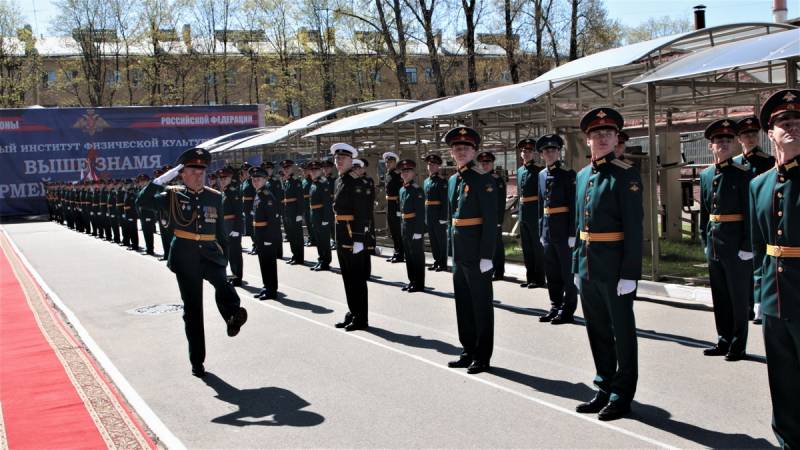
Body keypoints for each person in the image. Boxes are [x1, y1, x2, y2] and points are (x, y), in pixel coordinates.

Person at [137, 148, 248, 378]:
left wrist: (224, 258)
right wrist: (163, 179)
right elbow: (143, 201)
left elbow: (220, 233)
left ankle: (233, 316)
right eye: (192, 171)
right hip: (185, 256)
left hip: (210, 252)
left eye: (201, 171)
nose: (198, 175)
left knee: (223, 283)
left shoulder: (215, 197)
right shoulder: (172, 195)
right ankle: (197, 361)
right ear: (183, 174)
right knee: (193, 310)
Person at [573, 107, 643, 421]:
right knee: (597, 330)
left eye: (608, 134)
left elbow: (634, 227)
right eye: (596, 134)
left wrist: (630, 274)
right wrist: (577, 266)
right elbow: (579, 225)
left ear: (617, 139)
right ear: (587, 140)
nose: (602, 138)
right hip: (588, 267)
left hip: (615, 269)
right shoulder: (582, 175)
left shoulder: (625, 174)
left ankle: (621, 394)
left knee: (622, 333)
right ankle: (603, 385)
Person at [750, 88, 800, 449]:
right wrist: (758, 292)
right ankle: (788, 440)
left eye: (798, 122)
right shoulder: (759, 184)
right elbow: (758, 245)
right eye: (784, 122)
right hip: (773, 296)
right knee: (781, 377)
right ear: (771, 132)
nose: (792, 127)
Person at [445, 127, 497, 375]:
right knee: (463, 304)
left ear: (474, 151)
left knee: (480, 306)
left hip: (477, 254)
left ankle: (482, 355)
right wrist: (449, 250)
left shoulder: (483, 179)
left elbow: (490, 220)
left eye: (466, 147)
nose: (461, 151)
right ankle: (468, 349)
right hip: (460, 253)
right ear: (451, 153)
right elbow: (451, 218)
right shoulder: (454, 180)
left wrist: (488, 255)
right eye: (457, 148)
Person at [700, 119, 753, 362]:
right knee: (720, 296)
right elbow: (705, 213)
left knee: (738, 297)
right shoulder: (706, 174)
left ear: (733, 144)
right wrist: (704, 241)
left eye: (727, 140)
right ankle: (723, 340)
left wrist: (746, 245)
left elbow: (750, 213)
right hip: (715, 245)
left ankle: (738, 345)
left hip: (735, 246)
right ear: (711, 146)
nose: (723, 143)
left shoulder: (744, 174)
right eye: (718, 140)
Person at [735, 116, 775, 325]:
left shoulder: (768, 161)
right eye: (745, 135)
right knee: (743, 268)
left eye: (753, 134)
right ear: (739, 138)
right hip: (740, 220)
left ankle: (760, 302)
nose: (750, 138)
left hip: (761, 218)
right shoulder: (734, 164)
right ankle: (749, 305)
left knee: (761, 262)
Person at [536, 134, 577, 324]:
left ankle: (568, 310)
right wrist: (541, 232)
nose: (550, 153)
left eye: (553, 150)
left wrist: (572, 233)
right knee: (551, 272)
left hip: (563, 231)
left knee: (567, 273)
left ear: (559, 152)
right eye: (546, 151)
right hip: (547, 231)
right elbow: (540, 206)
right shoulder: (541, 175)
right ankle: (555, 306)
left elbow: (574, 205)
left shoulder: (568, 174)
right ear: (542, 154)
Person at [331, 143, 371, 331]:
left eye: (343, 159)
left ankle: (361, 317)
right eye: (337, 158)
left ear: (350, 160)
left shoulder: (356, 183)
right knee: (347, 277)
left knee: (356, 278)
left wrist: (358, 239)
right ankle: (353, 311)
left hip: (351, 234)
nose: (339, 161)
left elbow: (362, 212)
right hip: (341, 233)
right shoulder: (339, 181)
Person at [516, 138, 546, 288]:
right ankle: (529, 277)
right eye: (523, 151)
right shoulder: (520, 171)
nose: (525, 153)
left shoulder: (539, 171)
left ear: (534, 153)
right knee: (526, 247)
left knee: (536, 247)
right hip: (523, 213)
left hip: (534, 212)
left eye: (528, 151)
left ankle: (539, 278)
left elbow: (542, 195)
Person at [251, 166, 282, 300]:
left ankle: (272, 290)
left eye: (258, 179)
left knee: (269, 263)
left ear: (265, 180)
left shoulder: (267, 196)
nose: (256, 181)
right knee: (263, 262)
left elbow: (273, 220)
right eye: (254, 179)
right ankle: (266, 286)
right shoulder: (258, 194)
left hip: (267, 235)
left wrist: (269, 237)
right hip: (260, 234)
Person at [477, 151, 506, 281]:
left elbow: (501, 201)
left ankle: (498, 271)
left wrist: (499, 220)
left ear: (492, 163)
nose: (484, 165)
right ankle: (488, 268)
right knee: (485, 244)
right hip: (481, 218)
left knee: (496, 245)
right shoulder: (478, 178)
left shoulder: (496, 179)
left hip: (494, 218)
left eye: (487, 162)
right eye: (482, 163)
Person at [398, 159, 426, 292]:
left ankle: (419, 283)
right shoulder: (402, 190)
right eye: (403, 171)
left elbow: (420, 213)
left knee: (417, 256)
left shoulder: (417, 190)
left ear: (413, 173)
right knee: (408, 255)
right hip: (405, 226)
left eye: (408, 171)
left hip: (414, 227)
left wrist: (419, 231)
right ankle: (412, 281)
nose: (405, 174)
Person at [423, 154, 448, 272]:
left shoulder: (442, 181)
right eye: (429, 164)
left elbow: (445, 201)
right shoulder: (427, 181)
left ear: (438, 166)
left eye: (433, 164)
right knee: (433, 240)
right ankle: (436, 261)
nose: (431, 166)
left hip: (438, 216)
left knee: (441, 240)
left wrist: (443, 217)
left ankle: (443, 263)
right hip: (429, 215)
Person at [219, 166, 244, 286]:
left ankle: (237, 278)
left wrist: (236, 229)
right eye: (221, 178)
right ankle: (233, 275)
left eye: (225, 178)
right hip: (225, 226)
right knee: (229, 253)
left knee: (235, 254)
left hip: (232, 226)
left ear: (230, 178)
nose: (223, 180)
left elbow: (238, 213)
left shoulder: (233, 192)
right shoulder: (224, 192)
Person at [309, 161, 333, 271]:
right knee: (319, 240)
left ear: (320, 171)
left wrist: (326, 219)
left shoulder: (324, 183)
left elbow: (327, 203)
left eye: (316, 170)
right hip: (315, 215)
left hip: (322, 215)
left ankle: (325, 262)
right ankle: (321, 259)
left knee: (324, 240)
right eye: (312, 170)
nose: (313, 172)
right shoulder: (314, 183)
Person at [281, 160, 306, 265]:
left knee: (297, 236)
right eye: (284, 168)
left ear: (291, 169)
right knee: (290, 235)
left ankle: (299, 257)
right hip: (287, 213)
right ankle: (294, 255)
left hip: (295, 213)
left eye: (288, 168)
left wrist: (300, 214)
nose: (286, 170)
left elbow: (300, 199)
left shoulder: (296, 181)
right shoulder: (286, 182)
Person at [383, 151, 405, 263]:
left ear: (395, 162)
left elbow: (402, 191)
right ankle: (396, 252)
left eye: (390, 162)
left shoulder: (398, 174)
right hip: (389, 205)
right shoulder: (388, 174)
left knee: (397, 230)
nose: (388, 164)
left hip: (396, 204)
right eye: (387, 162)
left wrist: (399, 207)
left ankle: (400, 254)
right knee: (392, 230)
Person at [264, 161, 285, 260]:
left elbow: (278, 197)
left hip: (274, 210)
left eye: (269, 169)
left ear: (272, 170)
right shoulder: (264, 181)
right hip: (267, 211)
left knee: (276, 232)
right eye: (266, 169)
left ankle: (279, 253)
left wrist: (278, 211)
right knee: (270, 231)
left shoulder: (275, 181)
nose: (267, 170)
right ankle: (272, 250)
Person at [138, 174, 157, 255]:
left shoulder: (150, 190)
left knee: (149, 232)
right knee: (146, 232)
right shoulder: (142, 189)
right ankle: (148, 248)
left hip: (148, 214)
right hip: (143, 215)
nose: (142, 183)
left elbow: (153, 203)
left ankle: (150, 249)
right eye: (141, 181)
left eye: (144, 181)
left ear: (148, 181)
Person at [240, 163, 256, 254]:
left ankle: (257, 246)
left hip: (251, 208)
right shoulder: (245, 182)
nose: (245, 172)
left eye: (247, 171)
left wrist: (253, 209)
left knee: (253, 229)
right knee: (249, 229)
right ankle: (255, 245)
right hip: (245, 209)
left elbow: (255, 196)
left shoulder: (252, 181)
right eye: (244, 171)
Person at [123, 177, 140, 251]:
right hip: (128, 214)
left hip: (131, 215)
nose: (126, 185)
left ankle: (135, 245)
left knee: (133, 230)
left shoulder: (132, 192)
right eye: (125, 184)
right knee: (130, 230)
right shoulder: (127, 192)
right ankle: (133, 244)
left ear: (131, 184)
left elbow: (133, 205)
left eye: (127, 184)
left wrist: (131, 215)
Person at [302, 162, 316, 247]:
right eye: (303, 170)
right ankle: (311, 238)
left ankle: (314, 239)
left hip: (310, 204)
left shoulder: (312, 180)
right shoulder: (304, 180)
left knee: (311, 223)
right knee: (308, 223)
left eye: (306, 170)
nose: (304, 171)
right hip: (305, 204)